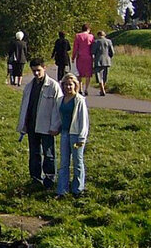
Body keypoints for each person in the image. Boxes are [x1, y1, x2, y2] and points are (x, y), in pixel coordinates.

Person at [17, 58, 62, 190]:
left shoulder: (53, 86)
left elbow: (57, 108)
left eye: (38, 70)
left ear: (44, 68)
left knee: (49, 154)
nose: (36, 73)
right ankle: (35, 179)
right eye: (34, 71)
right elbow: (25, 106)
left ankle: (49, 180)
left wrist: (55, 127)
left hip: (47, 127)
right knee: (34, 154)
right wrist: (23, 125)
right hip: (32, 126)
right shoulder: (29, 86)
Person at [50, 73, 89, 197]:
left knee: (77, 161)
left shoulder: (79, 100)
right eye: (66, 85)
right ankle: (62, 190)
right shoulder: (60, 100)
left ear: (75, 86)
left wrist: (82, 138)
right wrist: (55, 128)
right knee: (64, 163)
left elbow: (84, 120)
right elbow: (59, 116)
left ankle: (78, 189)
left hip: (76, 135)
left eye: (70, 85)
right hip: (65, 134)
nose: (68, 87)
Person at [72, 23, 95, 96]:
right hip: (89, 57)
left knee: (80, 73)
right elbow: (93, 47)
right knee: (88, 74)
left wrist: (73, 57)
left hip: (80, 57)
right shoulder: (91, 36)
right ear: (88, 29)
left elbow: (75, 48)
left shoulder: (78, 36)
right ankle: (86, 89)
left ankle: (80, 88)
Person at [90, 30, 115, 96]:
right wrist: (109, 57)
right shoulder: (109, 41)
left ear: (98, 35)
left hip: (98, 60)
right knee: (105, 75)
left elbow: (93, 52)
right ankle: (103, 88)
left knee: (99, 75)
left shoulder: (96, 42)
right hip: (107, 60)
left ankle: (102, 89)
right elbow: (112, 52)